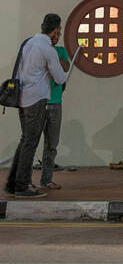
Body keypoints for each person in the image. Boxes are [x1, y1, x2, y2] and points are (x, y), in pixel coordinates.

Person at [5, 13, 70, 197]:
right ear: (56, 30)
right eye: (59, 31)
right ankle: (22, 186)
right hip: (36, 100)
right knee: (31, 143)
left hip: (21, 98)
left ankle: (12, 183)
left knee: (25, 140)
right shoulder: (47, 49)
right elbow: (60, 77)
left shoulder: (28, 43)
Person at [38, 28, 70, 191]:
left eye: (59, 35)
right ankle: (23, 180)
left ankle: (46, 179)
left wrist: (54, 54)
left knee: (51, 144)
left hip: (56, 102)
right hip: (39, 102)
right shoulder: (38, 48)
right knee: (30, 142)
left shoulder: (60, 51)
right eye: (53, 34)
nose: (56, 38)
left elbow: (66, 67)